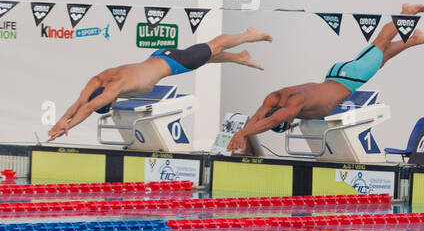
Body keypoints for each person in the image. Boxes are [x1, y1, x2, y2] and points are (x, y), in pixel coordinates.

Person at [226, 6, 424, 155]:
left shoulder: (293, 104)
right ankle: (413, 40)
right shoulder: (274, 97)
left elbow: (271, 120)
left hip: (347, 79)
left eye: (286, 123)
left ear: (285, 119)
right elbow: (259, 116)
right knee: (381, 57)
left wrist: (242, 133)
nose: (290, 123)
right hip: (334, 74)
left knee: (380, 43)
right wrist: (242, 135)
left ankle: (405, 14)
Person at [47, 27, 272, 141]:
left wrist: (70, 125)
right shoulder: (98, 79)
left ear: (108, 100)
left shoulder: (114, 88)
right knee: (205, 57)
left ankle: (246, 35)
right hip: (157, 57)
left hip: (172, 63)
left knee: (213, 46)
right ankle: (240, 57)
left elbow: (87, 107)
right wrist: (61, 123)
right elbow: (80, 102)